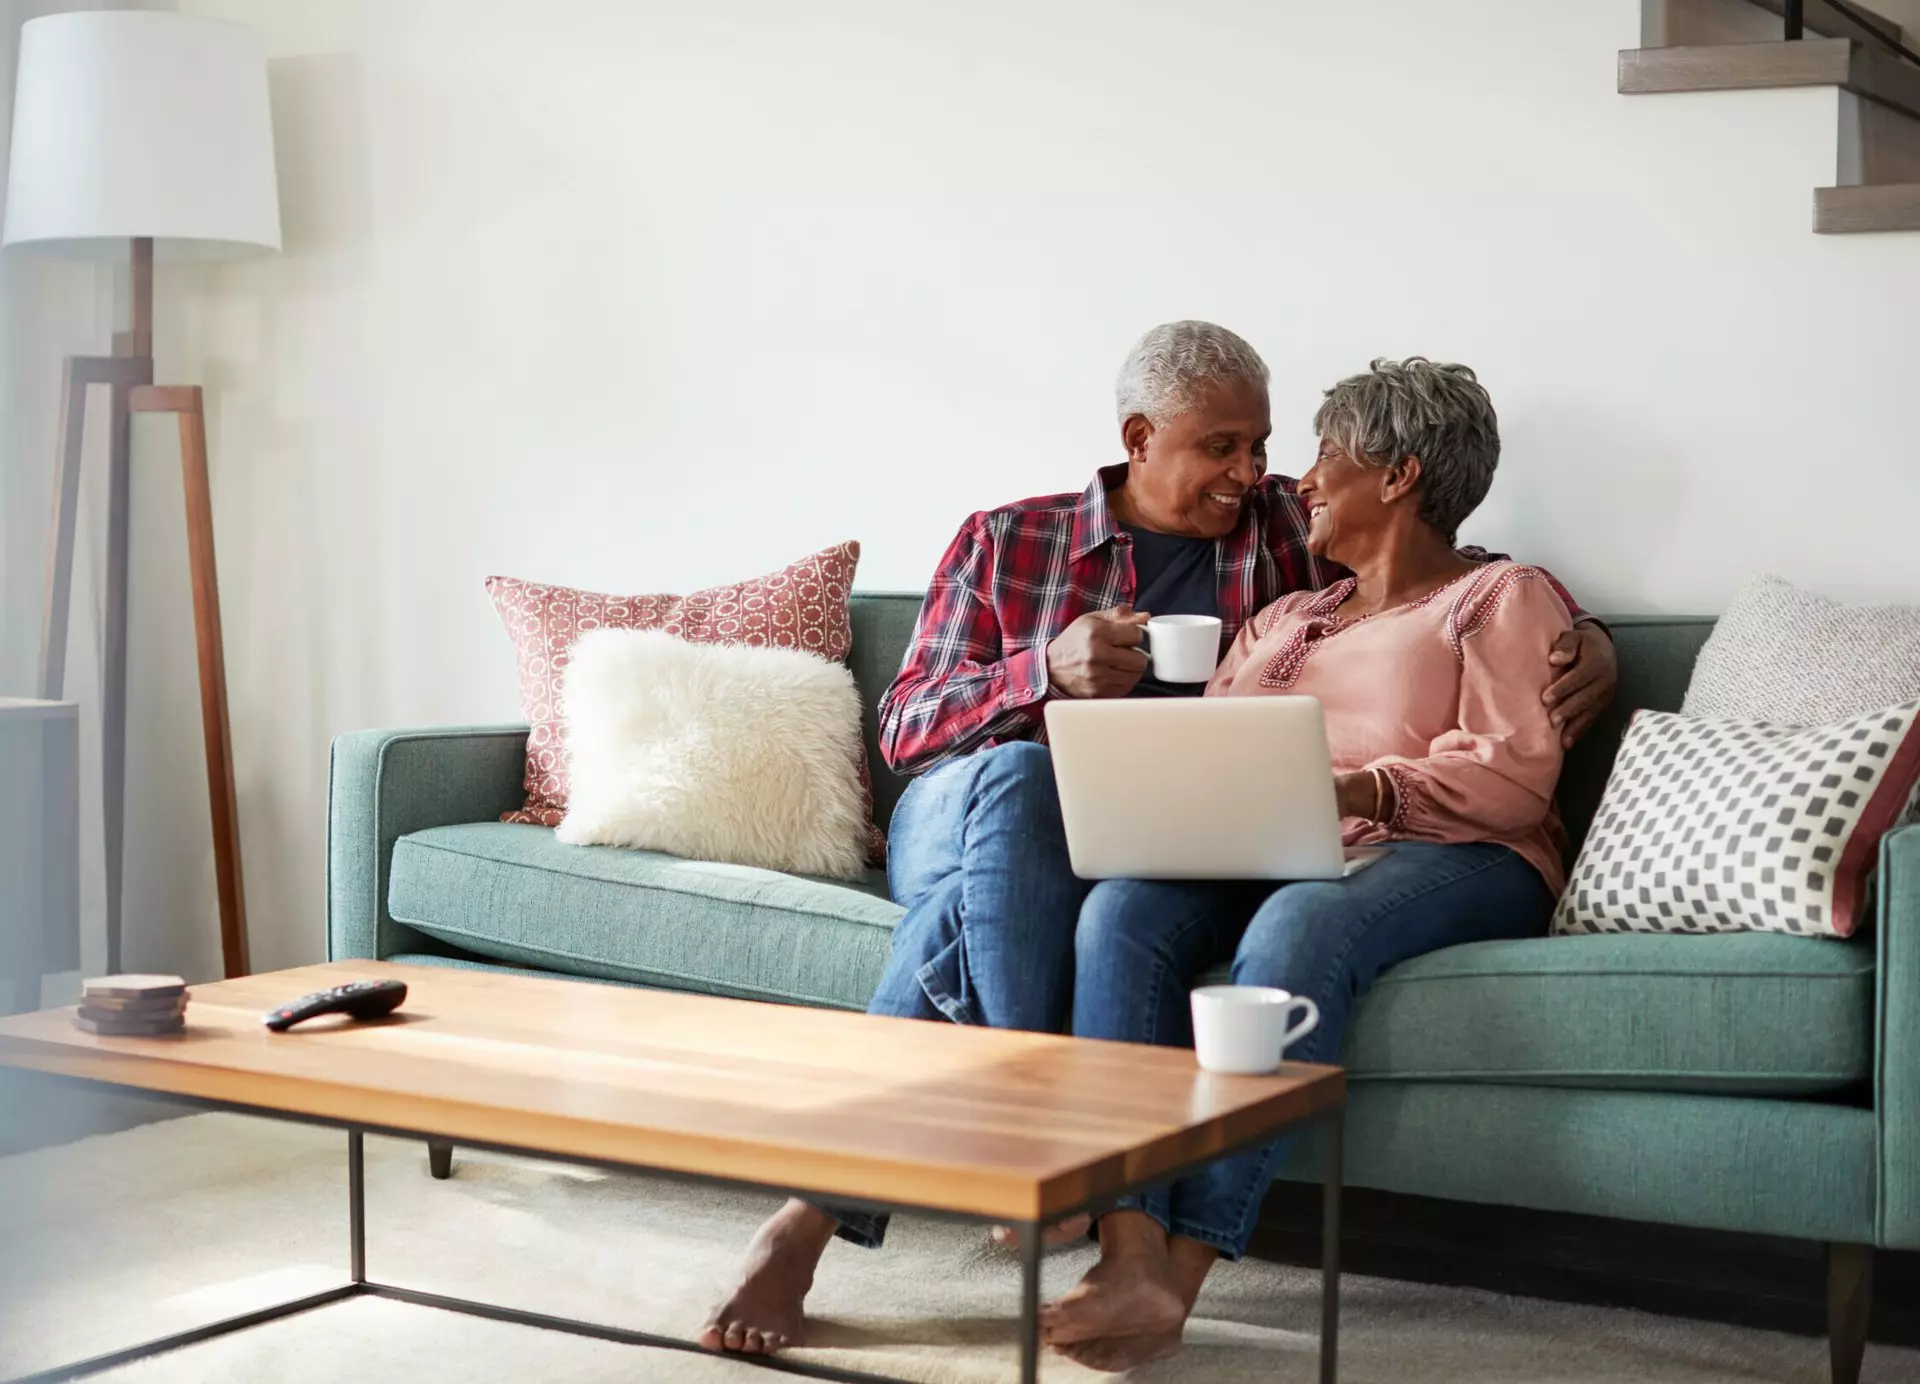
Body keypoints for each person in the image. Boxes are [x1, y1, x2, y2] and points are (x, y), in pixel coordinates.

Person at [698, 326, 1615, 1358]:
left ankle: (1068, 1229)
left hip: (1348, 839)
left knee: (1087, 906)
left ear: (1391, 473)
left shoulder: (1303, 543)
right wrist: (1041, 672)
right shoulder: (1016, 539)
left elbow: (1474, 601)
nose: (1265, 473)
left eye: (1273, 446)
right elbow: (905, 729)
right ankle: (1060, 1151)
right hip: (971, 804)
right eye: (1223, 446)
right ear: (1140, 437)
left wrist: (1596, 647)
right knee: (1022, 778)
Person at [1039, 357, 1572, 1372]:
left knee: (1299, 928)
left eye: (1327, 457)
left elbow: (1513, 779)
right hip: (1272, 841)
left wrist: (1361, 790)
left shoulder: (1502, 595)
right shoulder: (1287, 617)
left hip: (1454, 850)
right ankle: (1130, 1244)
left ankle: (1182, 1277)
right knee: (1123, 909)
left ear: (1401, 473)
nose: (1304, 482)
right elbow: (1213, 757)